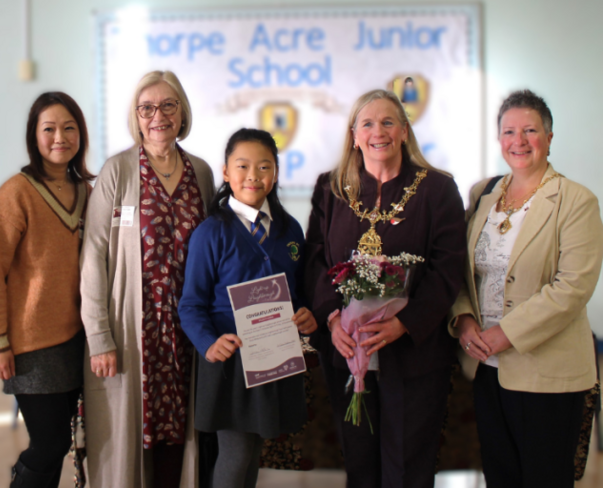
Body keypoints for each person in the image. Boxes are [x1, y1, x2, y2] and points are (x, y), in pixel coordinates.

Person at [304, 89, 466, 488]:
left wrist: (405, 323)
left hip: (414, 352)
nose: (379, 132)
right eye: (369, 124)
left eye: (389, 122)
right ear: (354, 135)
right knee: (360, 464)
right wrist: (332, 318)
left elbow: (448, 269)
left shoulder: (437, 189)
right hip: (346, 348)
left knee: (408, 467)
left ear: (406, 132)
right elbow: (314, 259)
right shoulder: (330, 188)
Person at [450, 90, 602, 488]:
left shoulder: (575, 201)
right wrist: (463, 320)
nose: (519, 141)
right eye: (509, 131)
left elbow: (573, 287)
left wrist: (507, 333)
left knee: (545, 478)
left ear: (549, 137)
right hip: (486, 367)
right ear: (499, 139)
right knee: (500, 476)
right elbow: (464, 272)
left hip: (547, 371)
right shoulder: (482, 194)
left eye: (530, 130)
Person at [80, 70, 216, 487]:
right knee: (129, 443)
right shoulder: (117, 172)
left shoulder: (202, 173)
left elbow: (215, 251)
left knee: (181, 436)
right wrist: (99, 337)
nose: (158, 116)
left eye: (168, 105)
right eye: (147, 108)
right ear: (136, 117)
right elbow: (93, 258)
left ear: (182, 112)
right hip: (131, 329)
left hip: (187, 331)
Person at [178, 128, 318, 488]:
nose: (253, 176)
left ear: (275, 174)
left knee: (254, 451)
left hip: (274, 356)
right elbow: (191, 304)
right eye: (242, 166)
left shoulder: (290, 231)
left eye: (264, 167)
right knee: (236, 454)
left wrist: (303, 313)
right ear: (226, 172)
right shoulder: (211, 233)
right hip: (230, 364)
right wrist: (209, 343)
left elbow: (297, 294)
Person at [0, 91, 94, 487]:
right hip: (30, 345)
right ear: (34, 136)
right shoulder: (15, 193)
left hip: (77, 339)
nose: (60, 137)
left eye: (69, 128)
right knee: (49, 441)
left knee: (64, 443)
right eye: (49, 129)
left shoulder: (88, 192)